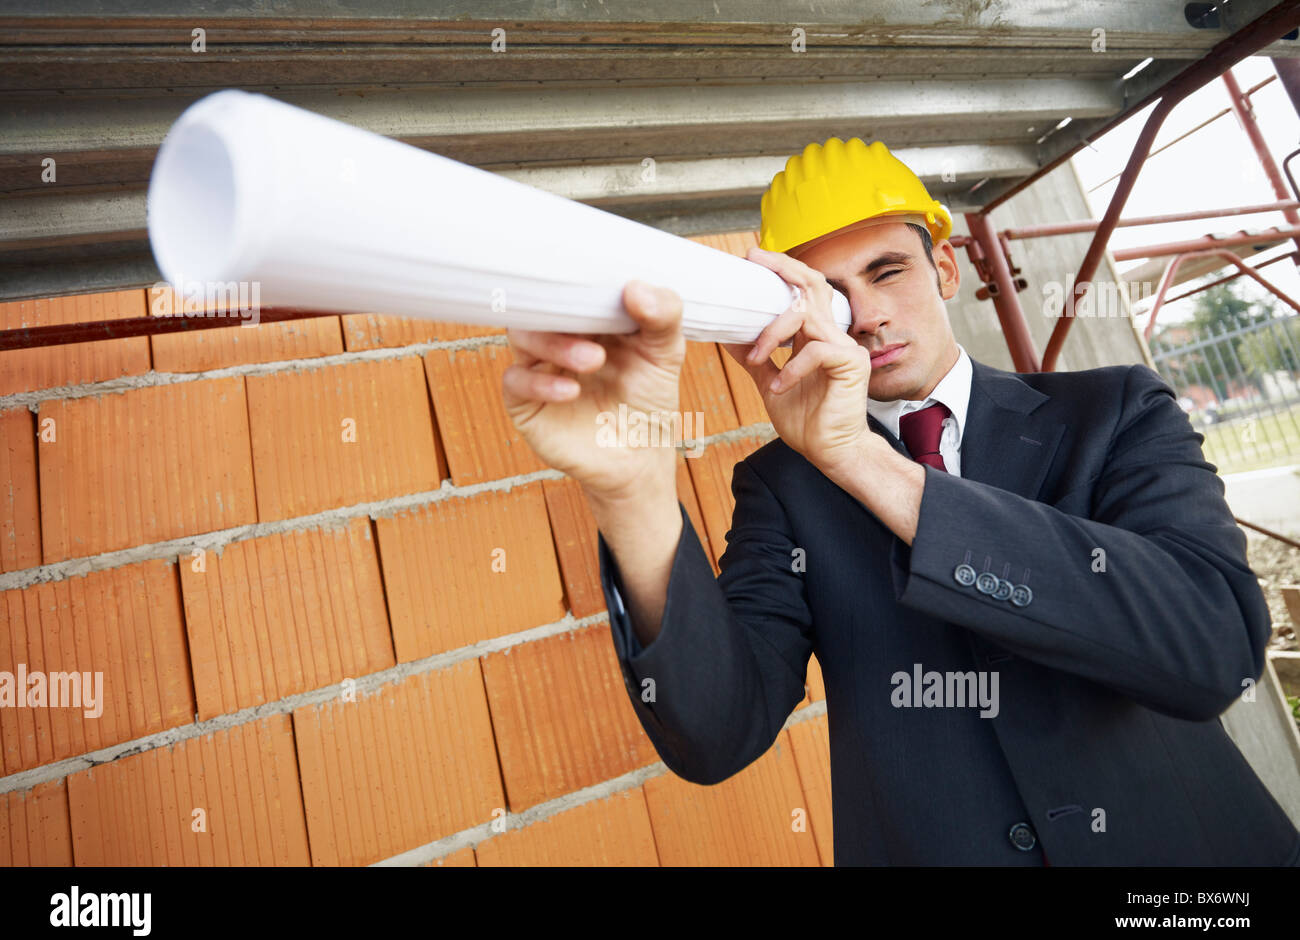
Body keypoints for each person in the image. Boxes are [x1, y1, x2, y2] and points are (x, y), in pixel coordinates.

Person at [502, 136, 1300, 865]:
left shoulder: (1113, 411)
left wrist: (858, 460)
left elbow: (1214, 652)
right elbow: (718, 732)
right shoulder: (781, 491)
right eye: (834, 297)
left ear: (944, 270)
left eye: (888, 272)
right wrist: (634, 489)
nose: (870, 317)